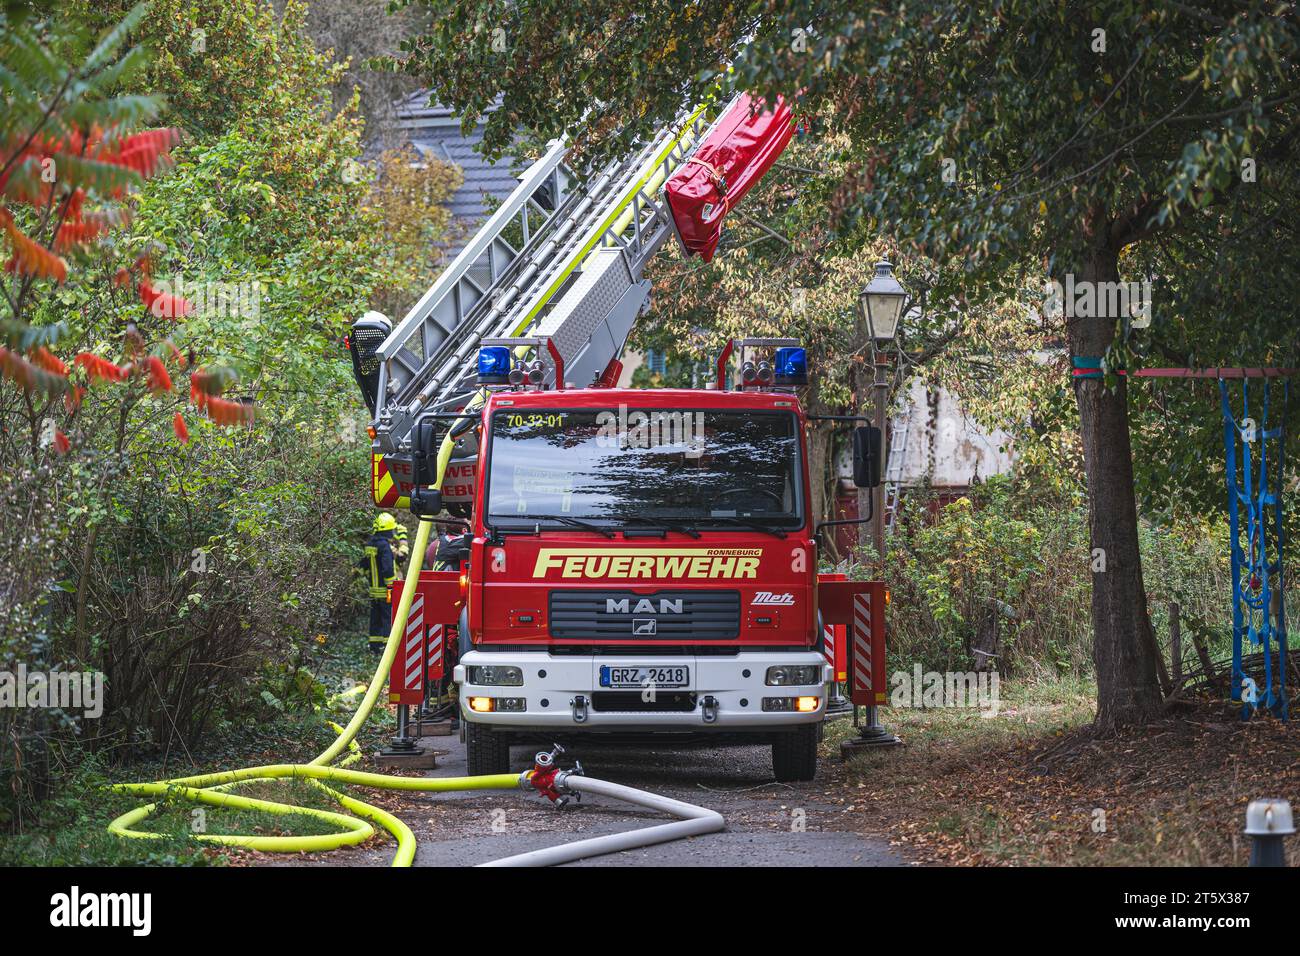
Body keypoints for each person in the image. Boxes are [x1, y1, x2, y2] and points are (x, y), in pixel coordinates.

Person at [361, 513, 399, 655]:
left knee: (375, 618)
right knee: (387, 617)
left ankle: (374, 647)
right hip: (385, 590)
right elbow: (387, 568)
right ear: (388, 529)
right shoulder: (384, 546)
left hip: (373, 590)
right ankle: (387, 649)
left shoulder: (370, 544)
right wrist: (391, 587)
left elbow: (363, 565)